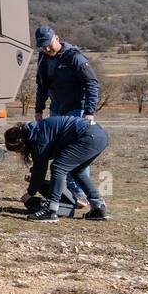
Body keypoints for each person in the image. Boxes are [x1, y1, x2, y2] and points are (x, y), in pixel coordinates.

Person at [32, 25, 100, 210]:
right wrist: (39, 109)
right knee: (59, 151)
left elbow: (92, 84)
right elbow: (42, 86)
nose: (47, 49)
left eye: (48, 44)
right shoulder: (43, 59)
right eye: (42, 46)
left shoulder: (75, 58)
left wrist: (89, 112)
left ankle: (80, 193)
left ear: (56, 38)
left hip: (77, 110)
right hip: (56, 110)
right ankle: (68, 193)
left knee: (75, 152)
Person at [4, 116, 109, 222]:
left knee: (58, 167)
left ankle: (50, 211)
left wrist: (30, 193)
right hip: (99, 135)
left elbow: (40, 169)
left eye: (18, 150)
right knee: (77, 171)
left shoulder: (37, 137)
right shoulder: (34, 130)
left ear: (21, 143)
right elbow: (39, 165)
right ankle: (98, 208)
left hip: (88, 136)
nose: (20, 153)